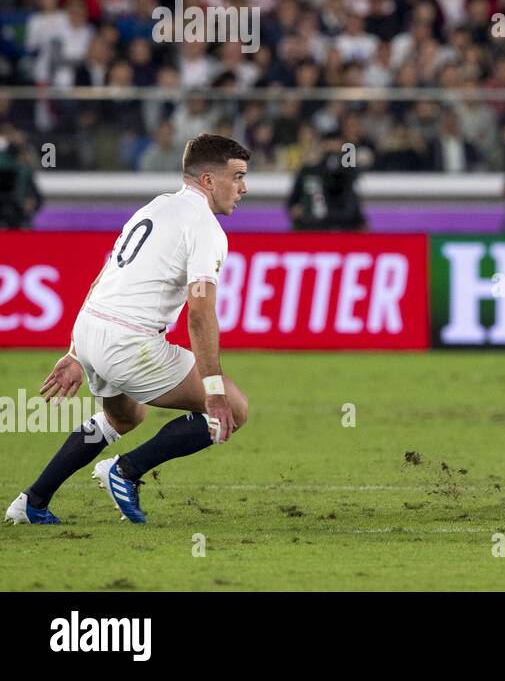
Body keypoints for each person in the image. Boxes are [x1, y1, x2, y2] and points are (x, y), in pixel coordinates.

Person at [6, 134, 251, 525]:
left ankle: (32, 502)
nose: (244, 188)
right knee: (233, 410)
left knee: (123, 417)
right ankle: (125, 470)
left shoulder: (154, 208)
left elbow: (105, 275)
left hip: (91, 329)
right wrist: (214, 392)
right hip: (129, 342)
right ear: (208, 180)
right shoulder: (205, 227)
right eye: (236, 176)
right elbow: (200, 315)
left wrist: (74, 352)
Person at [287, 131, 366, 231]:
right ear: (322, 145)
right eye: (328, 143)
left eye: (336, 143)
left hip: (341, 227)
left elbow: (351, 205)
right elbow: (292, 203)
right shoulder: (308, 172)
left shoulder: (348, 172)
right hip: (312, 228)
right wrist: (297, 209)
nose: (331, 146)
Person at [0, 125, 43, 228]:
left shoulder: (24, 169)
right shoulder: (6, 161)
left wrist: (32, 201)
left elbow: (36, 193)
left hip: (19, 217)